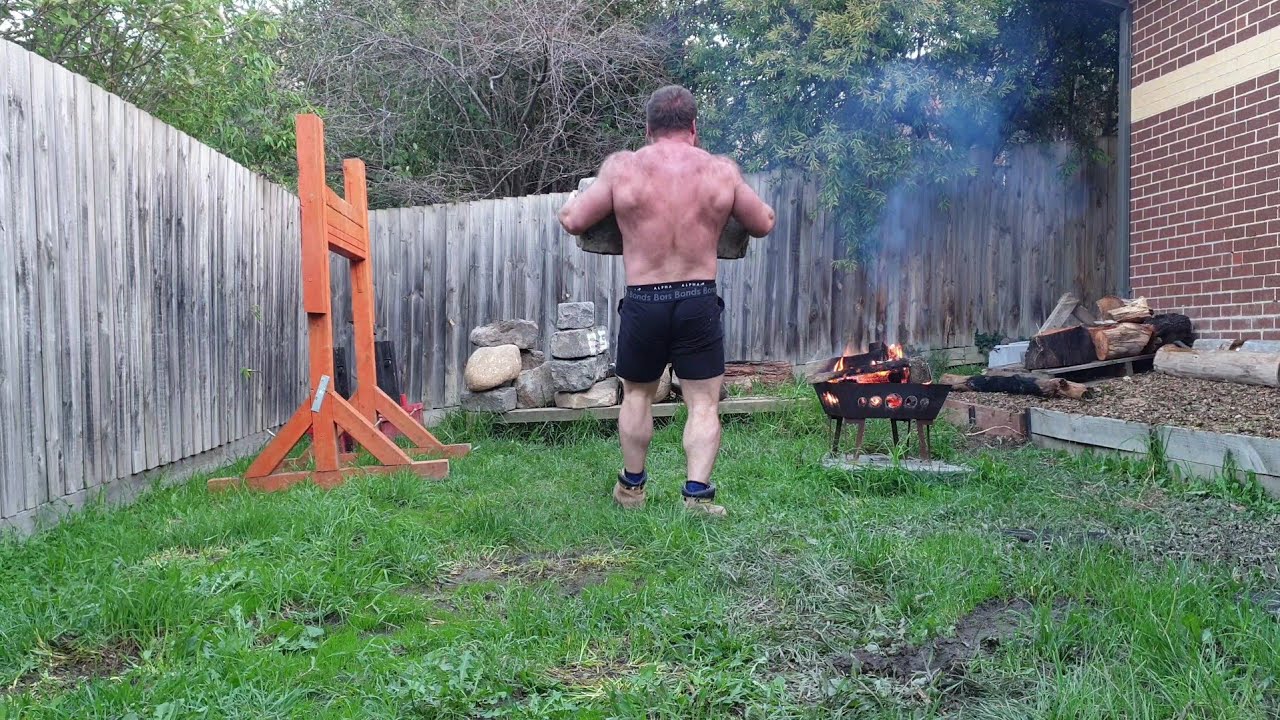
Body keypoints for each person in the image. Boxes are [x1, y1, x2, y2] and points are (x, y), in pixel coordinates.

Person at [557, 85, 776, 516]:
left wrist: (569, 203)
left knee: (636, 397)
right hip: (697, 298)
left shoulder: (624, 168)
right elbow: (764, 222)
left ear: (648, 128)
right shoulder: (720, 171)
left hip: (645, 300)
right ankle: (696, 497)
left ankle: (632, 491)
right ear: (694, 127)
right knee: (702, 403)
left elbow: (574, 220)